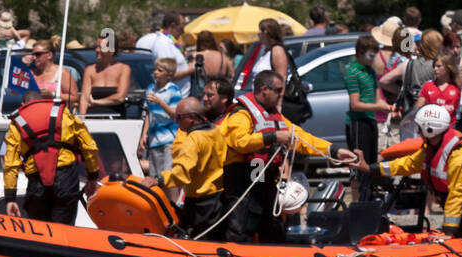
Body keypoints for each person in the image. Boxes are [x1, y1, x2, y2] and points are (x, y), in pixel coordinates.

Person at [222, 71, 357, 244]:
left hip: (263, 176)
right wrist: (274, 137)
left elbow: (301, 138)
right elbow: (239, 141)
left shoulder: (274, 116)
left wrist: (334, 151)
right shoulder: (242, 114)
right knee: (242, 225)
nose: (281, 95)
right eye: (278, 90)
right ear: (264, 89)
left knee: (272, 225)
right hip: (244, 178)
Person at [359, 102, 462, 257]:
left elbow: (457, 193)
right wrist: (371, 168)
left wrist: (449, 230)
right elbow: (408, 164)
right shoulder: (432, 147)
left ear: (429, 129)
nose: (417, 132)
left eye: (419, 128)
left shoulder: (460, 152)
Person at [4, 88, 100, 223]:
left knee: (40, 232)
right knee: (64, 229)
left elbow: (10, 164)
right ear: (42, 101)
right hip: (66, 177)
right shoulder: (63, 112)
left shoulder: (17, 122)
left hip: (36, 181)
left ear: (22, 105)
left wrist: (10, 198)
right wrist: (92, 177)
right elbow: (89, 146)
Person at [149, 98, 226, 237]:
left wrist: (158, 180)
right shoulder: (217, 131)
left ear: (192, 118)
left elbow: (181, 173)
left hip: (200, 204)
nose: (176, 121)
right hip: (219, 198)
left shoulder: (194, 139)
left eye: (178, 117)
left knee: (198, 239)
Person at [345, 36, 394, 202]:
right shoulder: (353, 72)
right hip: (357, 122)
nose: (374, 59)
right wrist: (379, 107)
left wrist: (390, 108)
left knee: (371, 165)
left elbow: (377, 99)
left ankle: (368, 202)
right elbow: (355, 105)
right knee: (357, 166)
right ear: (360, 52)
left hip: (371, 121)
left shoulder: (371, 72)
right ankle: (357, 203)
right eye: (371, 55)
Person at [138, 57, 181, 175]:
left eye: (160, 70)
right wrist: (144, 134)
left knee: (167, 174)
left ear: (169, 75)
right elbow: (148, 112)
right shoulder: (151, 88)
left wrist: (160, 102)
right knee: (154, 174)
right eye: (155, 69)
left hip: (169, 137)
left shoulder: (173, 90)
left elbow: (175, 114)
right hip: (154, 138)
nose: (155, 72)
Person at [81, 31, 132, 116]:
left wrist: (96, 102)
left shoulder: (123, 69)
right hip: (92, 118)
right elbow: (84, 98)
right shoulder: (90, 70)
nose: (97, 50)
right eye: (97, 46)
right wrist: (82, 119)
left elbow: (120, 98)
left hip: (116, 119)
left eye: (101, 47)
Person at [236, 19, 290, 91]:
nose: (258, 34)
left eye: (260, 31)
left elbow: (282, 78)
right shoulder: (267, 52)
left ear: (266, 32)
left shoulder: (277, 50)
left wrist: (278, 100)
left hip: (270, 99)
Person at [24, 39, 79, 109]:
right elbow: (14, 91)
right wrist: (21, 66)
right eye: (32, 55)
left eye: (37, 54)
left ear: (49, 55)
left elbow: (74, 98)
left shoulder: (62, 73)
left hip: (54, 116)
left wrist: (52, 95)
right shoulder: (31, 73)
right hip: (33, 114)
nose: (34, 58)